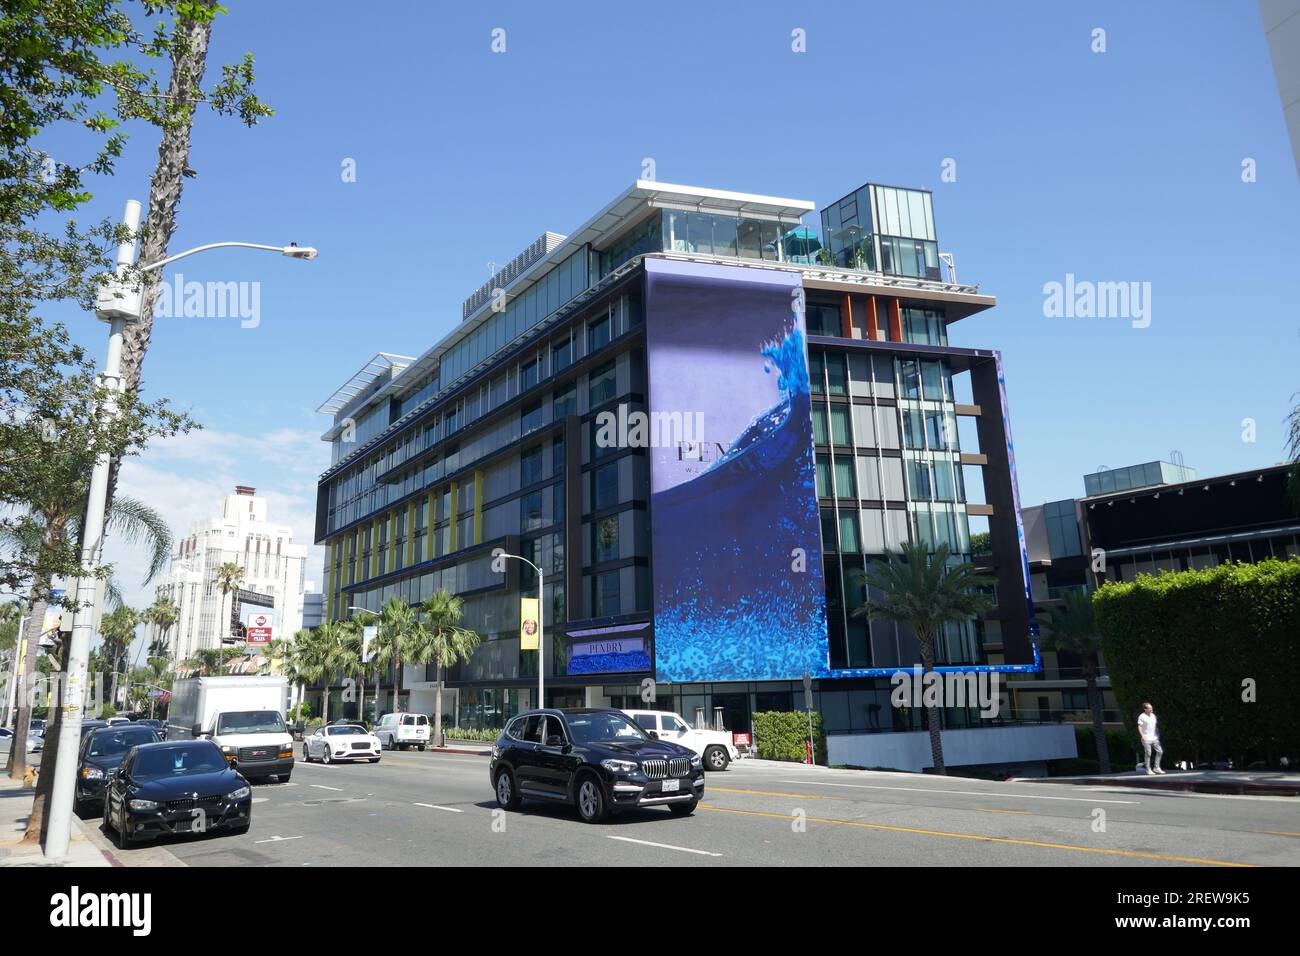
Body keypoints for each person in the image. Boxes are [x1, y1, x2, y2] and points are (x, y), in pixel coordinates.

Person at [1137, 702, 1164, 774]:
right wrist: (1142, 736)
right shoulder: (1142, 716)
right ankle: (1148, 769)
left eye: (1151, 708)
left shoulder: (1153, 716)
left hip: (1154, 738)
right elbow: (1139, 726)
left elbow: (1155, 726)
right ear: (1145, 709)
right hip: (1146, 738)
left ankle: (1156, 768)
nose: (1151, 709)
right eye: (1149, 708)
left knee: (1160, 751)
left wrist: (1157, 734)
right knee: (1148, 753)